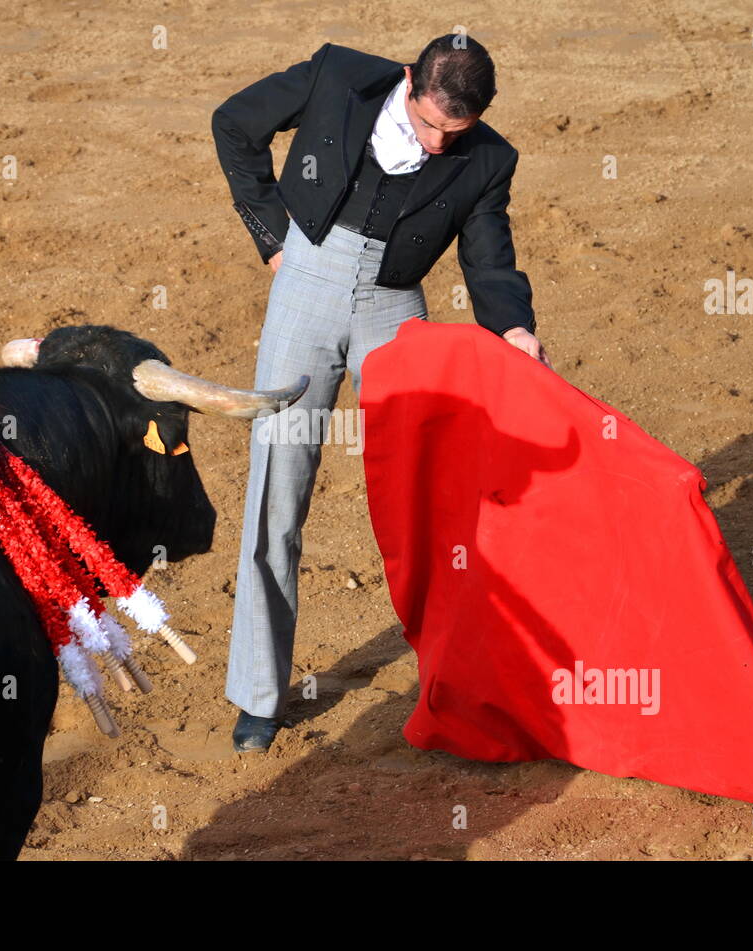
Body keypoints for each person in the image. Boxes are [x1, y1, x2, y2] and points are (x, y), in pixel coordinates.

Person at [212, 34, 552, 751]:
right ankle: (259, 695)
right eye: (427, 124)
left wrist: (515, 328)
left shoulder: (489, 161)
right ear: (408, 81)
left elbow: (489, 254)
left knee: (425, 498)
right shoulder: (339, 76)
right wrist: (274, 235)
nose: (433, 145)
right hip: (306, 279)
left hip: (393, 310)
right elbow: (235, 124)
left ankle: (449, 687)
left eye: (451, 134)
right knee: (278, 482)